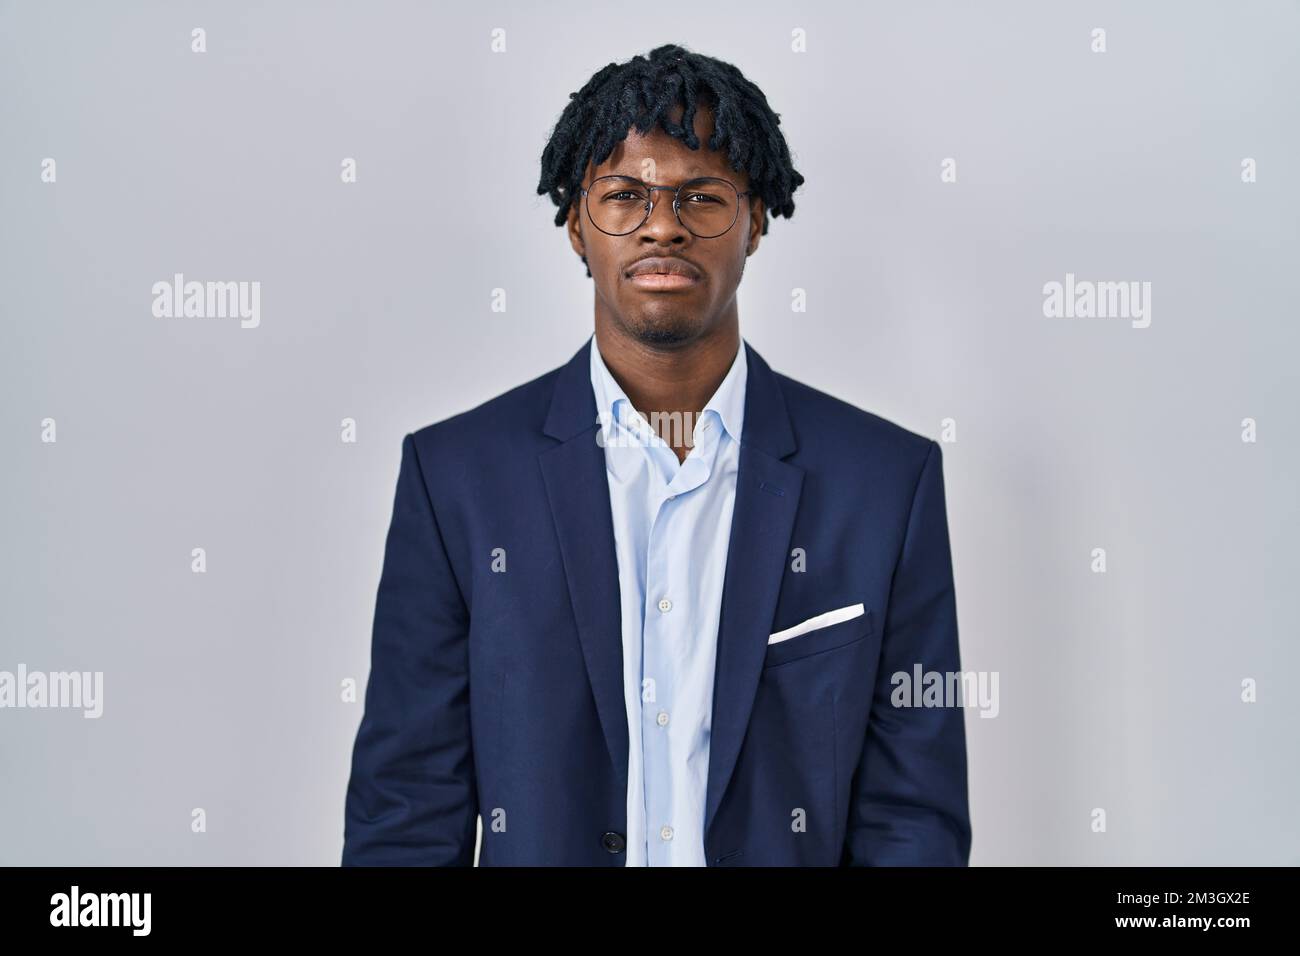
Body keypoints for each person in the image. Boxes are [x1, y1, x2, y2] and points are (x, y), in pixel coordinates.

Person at [342, 43, 970, 866]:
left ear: (757, 221)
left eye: (702, 197)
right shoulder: (457, 479)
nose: (663, 224)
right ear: (575, 223)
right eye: (625, 195)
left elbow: (913, 818)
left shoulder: (886, 484)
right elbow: (407, 809)